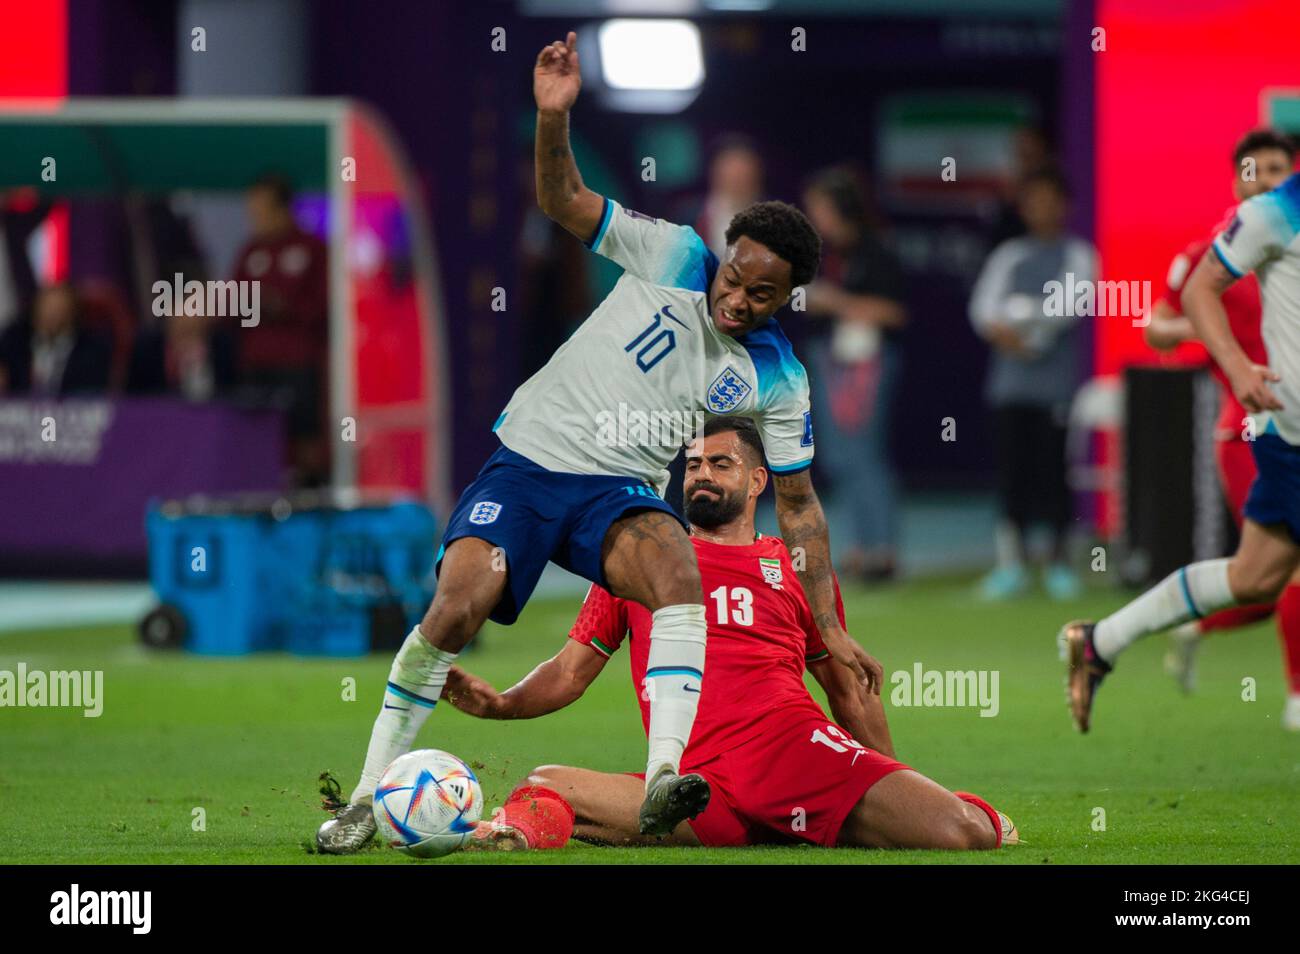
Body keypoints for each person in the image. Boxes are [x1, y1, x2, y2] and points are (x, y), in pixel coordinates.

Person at [316, 32, 882, 854]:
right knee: (459, 605)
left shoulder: (779, 377)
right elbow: (562, 198)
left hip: (616, 490)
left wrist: (829, 627)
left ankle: (662, 783)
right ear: (722, 255)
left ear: (788, 298)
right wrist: (554, 117)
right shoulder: (671, 254)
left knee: (675, 573)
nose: (738, 301)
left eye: (762, 295)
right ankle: (368, 794)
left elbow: (797, 510)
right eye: (735, 279)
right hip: (531, 463)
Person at [439, 416, 1016, 852]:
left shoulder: (795, 567)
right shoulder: (635, 561)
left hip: (793, 752)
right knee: (545, 786)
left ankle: (868, 814)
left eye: (721, 464)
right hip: (692, 787)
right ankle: (502, 836)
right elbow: (568, 673)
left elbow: (846, 691)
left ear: (758, 480)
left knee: (962, 832)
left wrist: (892, 777)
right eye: (693, 465)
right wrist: (499, 704)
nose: (703, 476)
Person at [1062, 169, 1300, 733]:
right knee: (1266, 580)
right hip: (1288, 434)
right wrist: (1236, 364)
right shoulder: (1274, 212)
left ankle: (1101, 641)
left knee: (1256, 579)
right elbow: (1195, 292)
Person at [1142, 129, 1300, 708]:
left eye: (1280, 170)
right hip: (1248, 428)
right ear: (1237, 181)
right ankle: (1296, 700)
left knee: (1264, 582)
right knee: (1290, 567)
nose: (1269, 181)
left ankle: (1193, 623)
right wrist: (1211, 329)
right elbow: (1156, 326)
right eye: (1257, 171)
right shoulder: (1207, 255)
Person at [969, 168, 1097, 601]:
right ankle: (1013, 565)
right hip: (1009, 388)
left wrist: (1022, 326)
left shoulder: (1079, 255)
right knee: (1013, 475)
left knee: (1052, 474)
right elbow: (984, 308)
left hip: (1055, 390)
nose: (1040, 209)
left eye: (1049, 200)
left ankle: (1060, 564)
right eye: (1033, 201)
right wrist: (1006, 329)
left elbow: (1068, 305)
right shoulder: (1009, 255)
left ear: (1065, 207)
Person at [803, 167, 908, 581]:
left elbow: (894, 313)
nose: (814, 215)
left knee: (865, 452)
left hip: (869, 362)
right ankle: (859, 550)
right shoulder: (819, 254)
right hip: (827, 358)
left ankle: (884, 551)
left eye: (819, 207)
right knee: (839, 457)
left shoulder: (877, 251)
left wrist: (838, 302)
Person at [230, 173, 329, 485]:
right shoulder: (250, 251)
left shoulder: (313, 249)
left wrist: (281, 307)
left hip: (298, 363)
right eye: (252, 212)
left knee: (303, 444)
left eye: (261, 211)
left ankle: (309, 500)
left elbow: (325, 307)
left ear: (283, 209)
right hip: (256, 364)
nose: (255, 219)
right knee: (258, 442)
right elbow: (233, 304)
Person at [0, 283, 110, 397]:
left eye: (59, 308)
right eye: (46, 307)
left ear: (72, 312)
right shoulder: (14, 342)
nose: (51, 314)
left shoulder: (91, 350)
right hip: (19, 411)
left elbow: (92, 394)